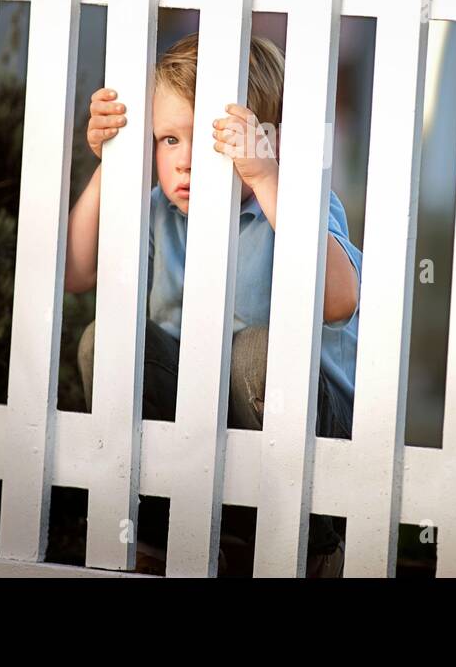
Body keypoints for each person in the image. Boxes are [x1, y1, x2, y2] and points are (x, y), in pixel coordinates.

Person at [63, 31, 362, 577]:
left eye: (209, 141)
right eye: (168, 140)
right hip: (195, 418)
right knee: (102, 341)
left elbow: (339, 300)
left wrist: (265, 176)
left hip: (301, 420)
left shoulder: (295, 204)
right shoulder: (158, 211)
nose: (184, 162)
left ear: (262, 141)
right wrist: (114, 160)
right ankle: (159, 535)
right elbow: (76, 272)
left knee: (255, 353)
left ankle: (305, 545)